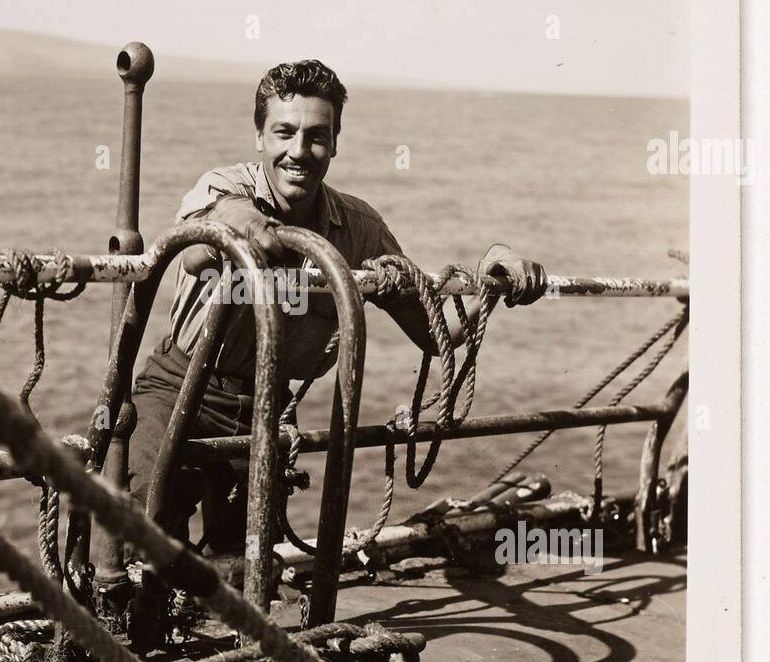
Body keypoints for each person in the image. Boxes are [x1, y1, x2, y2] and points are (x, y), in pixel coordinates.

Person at [127, 59, 546, 553]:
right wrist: (244, 225)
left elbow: (438, 333)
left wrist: (494, 273)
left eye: (317, 136)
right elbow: (197, 242)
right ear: (260, 135)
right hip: (183, 384)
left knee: (245, 559)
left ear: (335, 143)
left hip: (269, 406)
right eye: (284, 132)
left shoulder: (359, 229)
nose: (299, 152)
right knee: (139, 518)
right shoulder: (223, 187)